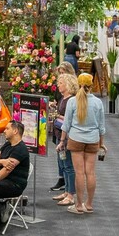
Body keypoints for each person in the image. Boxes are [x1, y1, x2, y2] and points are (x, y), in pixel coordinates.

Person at [58, 73, 106, 215]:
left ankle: (78, 205)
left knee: (79, 172)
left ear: (78, 84)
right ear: (91, 85)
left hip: (75, 139)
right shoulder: (98, 102)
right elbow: (102, 127)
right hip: (93, 140)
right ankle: (89, 204)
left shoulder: (73, 101)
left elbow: (66, 125)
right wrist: (101, 144)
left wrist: (61, 141)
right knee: (90, 172)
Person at [51, 73, 78, 207]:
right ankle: (67, 190)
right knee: (63, 165)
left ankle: (71, 194)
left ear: (67, 85)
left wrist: (58, 117)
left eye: (61, 83)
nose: (58, 85)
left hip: (66, 137)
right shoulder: (63, 98)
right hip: (59, 134)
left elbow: (70, 121)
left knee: (68, 166)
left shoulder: (70, 101)